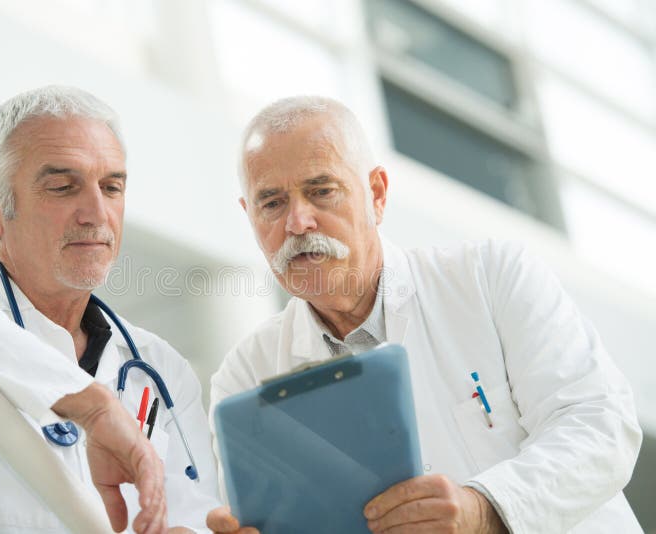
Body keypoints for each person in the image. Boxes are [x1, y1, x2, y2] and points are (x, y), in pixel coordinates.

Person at [205, 96, 643, 533]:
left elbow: (602, 425)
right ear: (249, 215)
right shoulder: (245, 377)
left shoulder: (490, 277)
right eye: (272, 203)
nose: (298, 221)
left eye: (321, 191)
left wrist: (483, 508)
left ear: (376, 195)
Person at [0, 86, 220, 533]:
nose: (96, 213)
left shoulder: (161, 368)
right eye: (63, 187)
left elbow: (196, 513)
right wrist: (94, 407)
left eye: (112, 187)